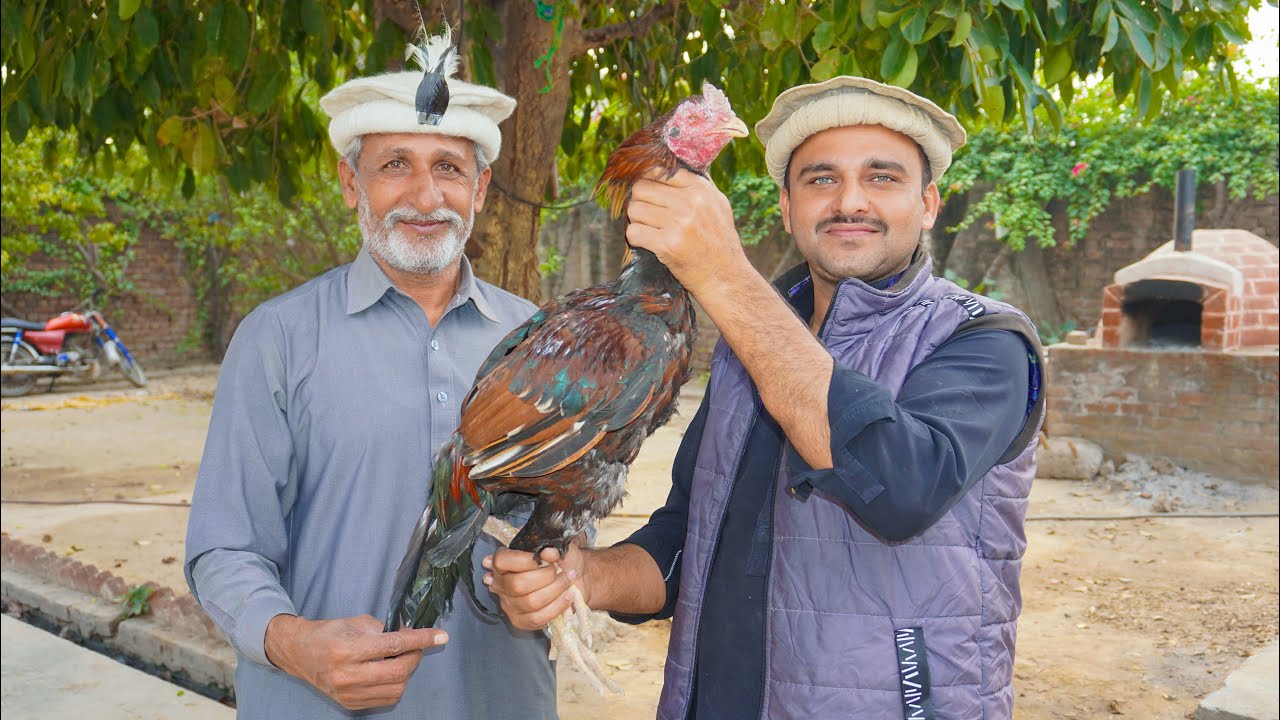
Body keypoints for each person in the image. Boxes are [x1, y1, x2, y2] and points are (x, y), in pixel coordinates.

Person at [486, 76, 1046, 719]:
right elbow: (685, 537)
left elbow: (897, 488)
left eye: (883, 177)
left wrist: (723, 272)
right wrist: (583, 576)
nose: (850, 201)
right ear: (786, 207)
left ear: (928, 204)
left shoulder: (987, 341)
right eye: (821, 179)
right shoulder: (744, 350)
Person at [183, 36, 557, 719]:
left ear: (478, 188)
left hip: (502, 701)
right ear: (352, 182)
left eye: (448, 166)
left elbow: (557, 518)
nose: (425, 195)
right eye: (395, 165)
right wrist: (295, 644)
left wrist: (556, 571)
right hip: (314, 704)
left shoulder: (535, 337)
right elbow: (223, 548)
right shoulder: (279, 338)